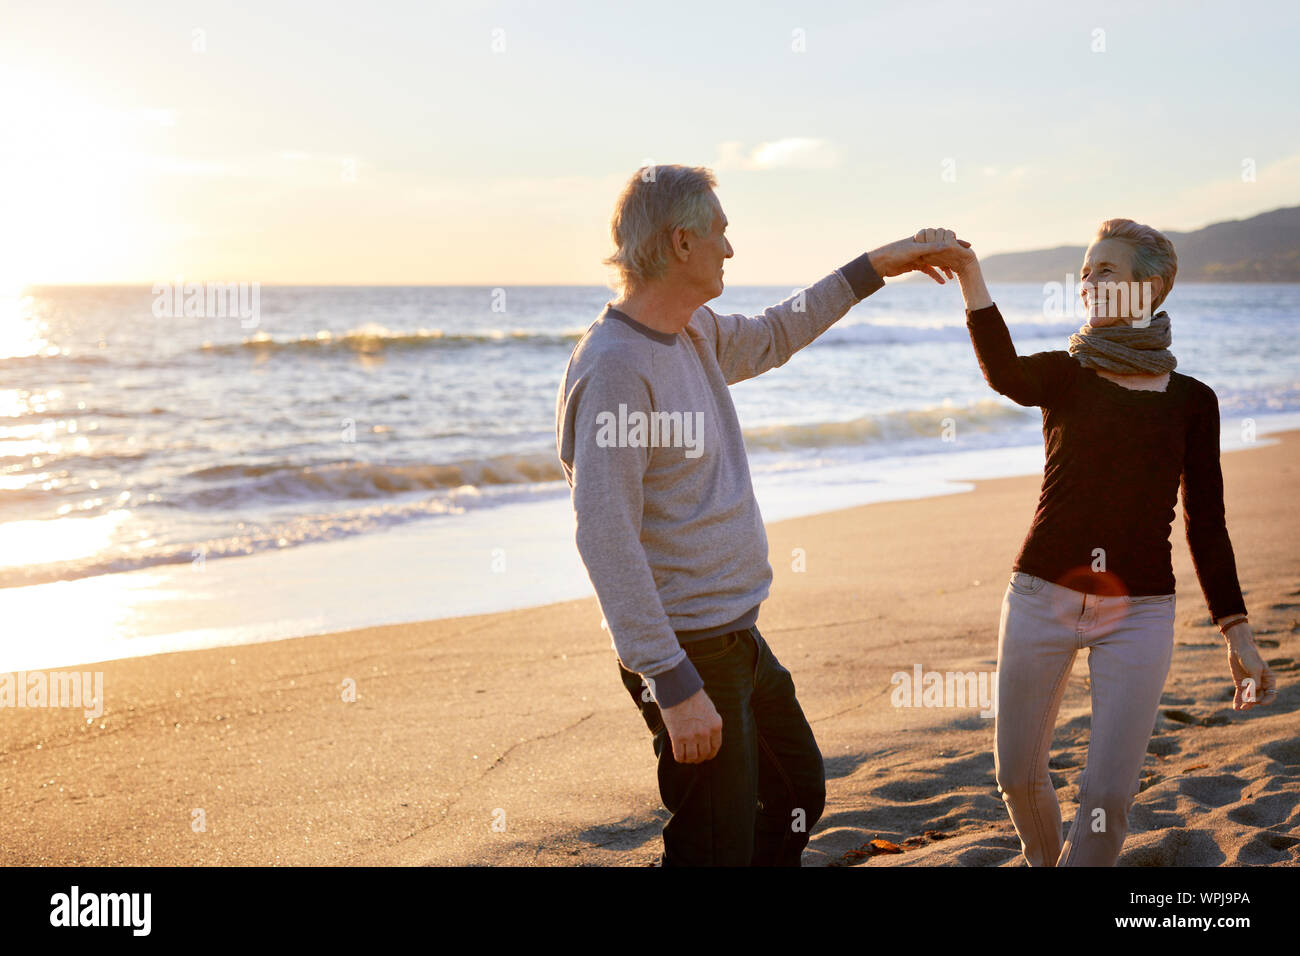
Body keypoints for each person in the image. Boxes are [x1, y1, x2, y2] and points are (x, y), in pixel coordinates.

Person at [556, 165, 968, 865]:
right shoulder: (618, 366)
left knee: (797, 792)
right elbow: (604, 532)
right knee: (712, 844)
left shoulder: (693, 334)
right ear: (682, 242)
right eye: (720, 232)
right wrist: (671, 678)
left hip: (736, 635)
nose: (730, 249)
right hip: (686, 649)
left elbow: (781, 330)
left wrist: (878, 266)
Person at [942, 221, 1278, 866]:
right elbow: (1004, 373)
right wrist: (968, 273)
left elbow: (1206, 522)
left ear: (1149, 288)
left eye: (1107, 270)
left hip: (1141, 613)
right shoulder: (1066, 376)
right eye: (1086, 270)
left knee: (1107, 796)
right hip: (1041, 594)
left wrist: (1238, 634)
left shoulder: (1192, 401)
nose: (1089, 281)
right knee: (1016, 774)